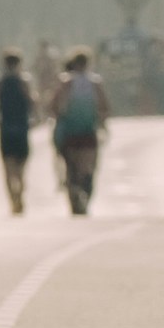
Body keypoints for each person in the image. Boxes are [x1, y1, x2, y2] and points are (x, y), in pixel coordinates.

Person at [51, 44, 107, 218]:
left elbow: (54, 106)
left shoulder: (66, 82)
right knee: (88, 168)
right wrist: (101, 123)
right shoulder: (95, 83)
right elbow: (104, 107)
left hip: (69, 132)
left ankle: (74, 193)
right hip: (88, 132)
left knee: (70, 166)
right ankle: (84, 195)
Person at [0, 48, 34, 217]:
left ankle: (13, 200)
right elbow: (32, 101)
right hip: (22, 128)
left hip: (6, 128)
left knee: (8, 168)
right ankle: (20, 195)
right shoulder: (24, 81)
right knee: (21, 168)